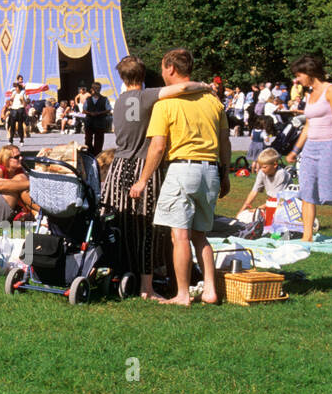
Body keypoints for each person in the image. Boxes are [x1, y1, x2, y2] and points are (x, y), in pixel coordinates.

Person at [102, 55, 210, 299]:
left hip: (118, 166)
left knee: (120, 222)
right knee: (146, 228)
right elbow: (181, 87)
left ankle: (120, 271)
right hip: (144, 166)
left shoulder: (118, 101)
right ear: (142, 75)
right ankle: (146, 287)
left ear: (122, 77)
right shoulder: (146, 96)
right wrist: (203, 86)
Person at [130, 48, 230, 306]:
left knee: (180, 237)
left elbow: (158, 147)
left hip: (182, 169)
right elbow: (225, 142)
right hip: (210, 169)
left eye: (163, 68)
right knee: (201, 235)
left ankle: (182, 294)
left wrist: (142, 179)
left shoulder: (166, 104)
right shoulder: (212, 101)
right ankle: (210, 290)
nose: (162, 73)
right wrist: (226, 174)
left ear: (171, 69)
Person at [287, 54, 332, 242]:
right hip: (310, 149)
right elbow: (308, 125)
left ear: (310, 72)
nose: (297, 80)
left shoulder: (330, 90)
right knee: (307, 192)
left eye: (299, 75)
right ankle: (307, 237)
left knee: (329, 190)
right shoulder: (310, 95)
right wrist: (295, 150)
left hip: (329, 145)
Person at [238, 149, 292, 215]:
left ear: (275, 164)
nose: (262, 170)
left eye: (264, 167)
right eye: (260, 167)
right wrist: (242, 210)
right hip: (273, 203)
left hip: (287, 206)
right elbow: (254, 191)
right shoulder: (262, 172)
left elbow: (276, 199)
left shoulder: (281, 174)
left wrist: (258, 209)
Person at [82, 83, 111, 156]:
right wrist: (90, 113)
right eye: (95, 88)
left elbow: (108, 109)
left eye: (98, 88)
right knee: (88, 140)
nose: (97, 90)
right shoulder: (88, 99)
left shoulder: (104, 99)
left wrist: (99, 113)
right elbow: (84, 110)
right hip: (89, 122)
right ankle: (90, 154)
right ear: (92, 89)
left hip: (100, 122)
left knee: (99, 140)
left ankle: (97, 155)